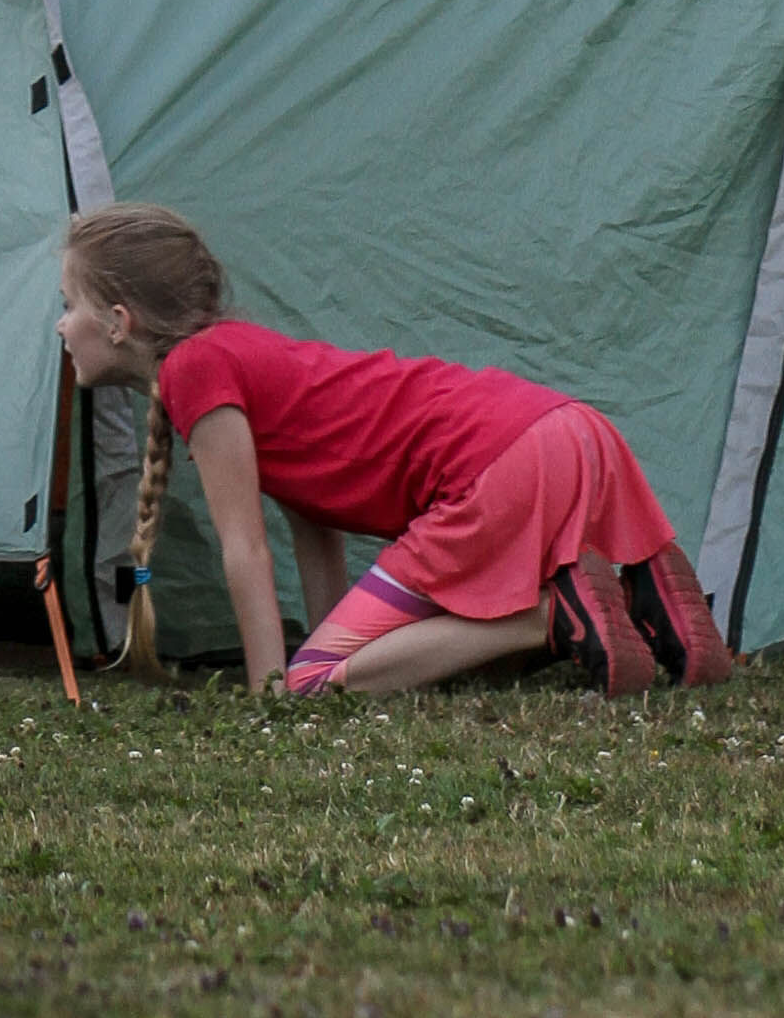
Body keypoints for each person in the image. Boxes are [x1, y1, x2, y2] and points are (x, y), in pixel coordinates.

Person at [56, 203, 732, 701]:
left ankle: (553, 615)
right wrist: (324, 638)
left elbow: (246, 548)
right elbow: (309, 524)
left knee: (317, 683)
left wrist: (274, 692)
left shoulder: (194, 369)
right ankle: (646, 617)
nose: (61, 325)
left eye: (69, 305)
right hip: (560, 427)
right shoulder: (238, 351)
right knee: (358, 662)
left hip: (495, 462)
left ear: (120, 324)